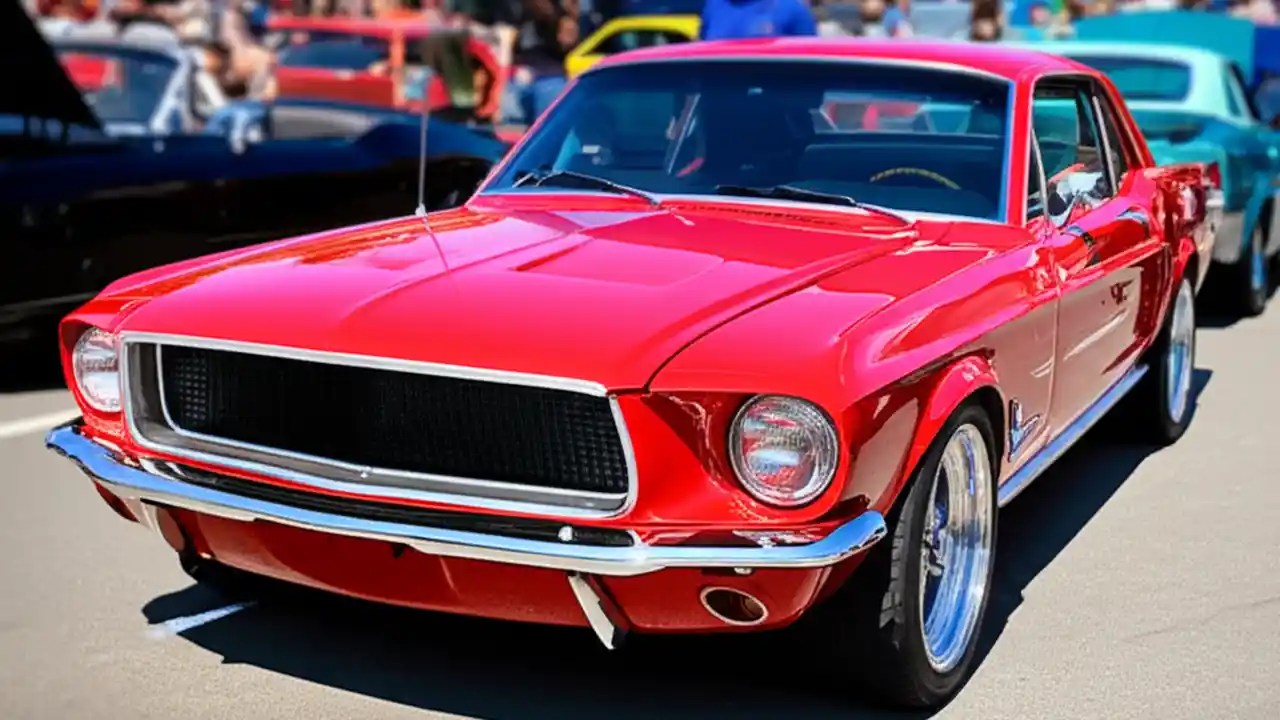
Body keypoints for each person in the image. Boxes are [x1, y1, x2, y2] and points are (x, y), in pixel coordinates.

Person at [698, 0, 818, 41]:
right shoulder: (714, 6)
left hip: (772, 96)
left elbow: (811, 71)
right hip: (719, 95)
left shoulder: (792, 10)